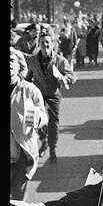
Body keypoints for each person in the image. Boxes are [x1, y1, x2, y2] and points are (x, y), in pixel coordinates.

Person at [9, 47, 47, 206]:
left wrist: (37, 118)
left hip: (23, 149)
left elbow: (42, 114)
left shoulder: (30, 90)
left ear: (18, 66)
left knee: (17, 189)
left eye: (11, 61)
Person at [24, 32, 75, 164]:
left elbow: (72, 77)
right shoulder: (33, 60)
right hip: (38, 95)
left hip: (53, 95)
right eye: (42, 43)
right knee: (35, 120)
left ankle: (53, 149)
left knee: (53, 122)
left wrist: (64, 78)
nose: (45, 45)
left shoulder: (60, 60)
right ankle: (44, 141)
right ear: (39, 45)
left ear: (52, 44)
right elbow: (28, 78)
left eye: (47, 42)